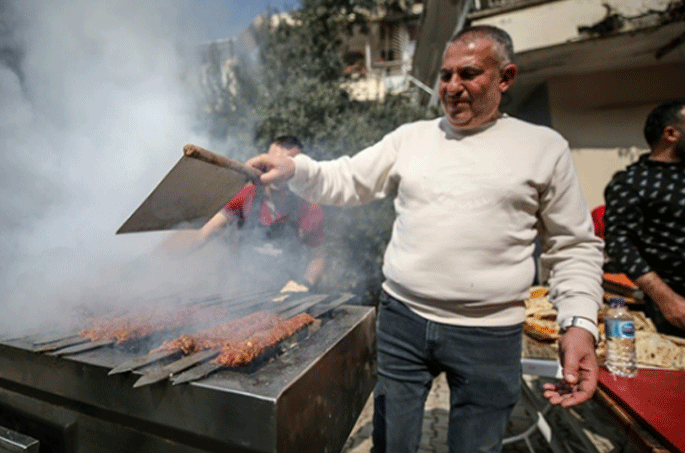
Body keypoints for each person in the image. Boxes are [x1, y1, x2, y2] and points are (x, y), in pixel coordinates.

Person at [246, 25, 604, 453]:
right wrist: (297, 170)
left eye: (469, 74)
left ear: (505, 78)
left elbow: (575, 245)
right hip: (403, 321)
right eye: (446, 75)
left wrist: (580, 323)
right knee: (391, 443)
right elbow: (345, 179)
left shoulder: (544, 147)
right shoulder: (411, 138)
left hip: (489, 334)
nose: (452, 88)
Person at [192, 136, 325, 291]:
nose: (276, 169)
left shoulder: (309, 208)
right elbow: (204, 233)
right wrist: (166, 255)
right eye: (273, 161)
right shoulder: (246, 195)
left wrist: (304, 284)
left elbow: (317, 257)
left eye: (284, 164)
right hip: (240, 291)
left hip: (283, 295)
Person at [603, 100, 685, 337]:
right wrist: (668, 300)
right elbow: (620, 245)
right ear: (671, 133)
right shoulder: (632, 184)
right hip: (676, 309)